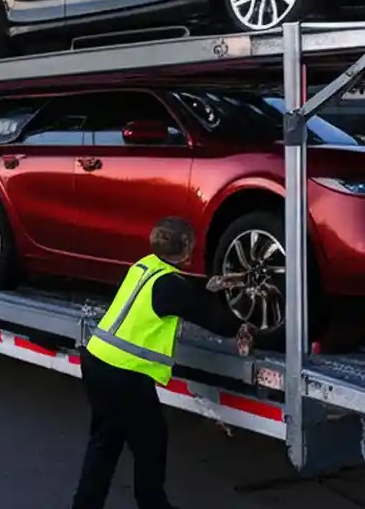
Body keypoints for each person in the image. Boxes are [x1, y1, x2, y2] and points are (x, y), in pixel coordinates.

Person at [71, 216, 255, 509]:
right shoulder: (171, 288)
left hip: (96, 360)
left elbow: (177, 289)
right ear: (187, 248)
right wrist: (244, 324)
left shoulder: (143, 265)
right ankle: (153, 504)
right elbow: (213, 319)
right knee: (151, 443)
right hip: (125, 375)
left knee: (104, 443)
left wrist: (212, 283)